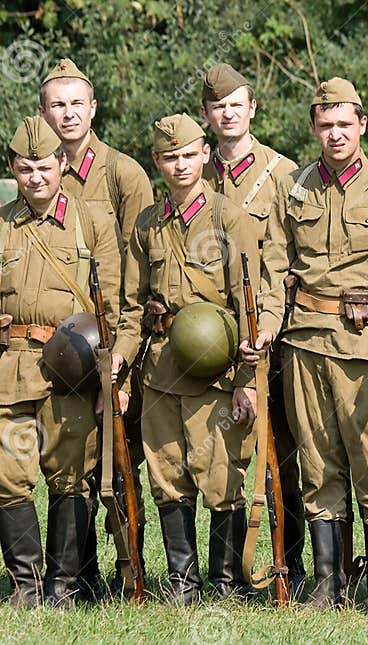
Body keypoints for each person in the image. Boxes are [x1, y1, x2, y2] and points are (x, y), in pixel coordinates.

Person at [243, 78, 368, 613]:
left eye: (345, 123)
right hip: (304, 344)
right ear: (313, 127)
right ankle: (329, 582)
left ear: (363, 125)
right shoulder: (293, 186)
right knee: (317, 464)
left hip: (366, 349)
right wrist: (266, 328)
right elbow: (276, 269)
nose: (336, 134)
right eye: (326, 125)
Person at [111, 113, 259, 604]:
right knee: (167, 476)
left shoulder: (229, 218)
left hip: (215, 372)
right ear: (157, 161)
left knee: (220, 476)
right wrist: (121, 361)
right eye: (170, 157)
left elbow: (249, 304)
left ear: (204, 155)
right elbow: (132, 307)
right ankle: (183, 580)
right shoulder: (147, 224)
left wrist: (246, 378)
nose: (180, 165)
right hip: (160, 369)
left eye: (189, 155)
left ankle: (226, 582)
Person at [38, 57, 153, 598]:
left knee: (120, 460)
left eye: (76, 103)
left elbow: (143, 264)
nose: (68, 114)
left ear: (93, 108)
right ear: (43, 113)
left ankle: (132, 573)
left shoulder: (123, 174)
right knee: (72, 458)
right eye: (57, 105)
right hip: (62, 350)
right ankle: (80, 577)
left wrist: (124, 361)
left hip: (114, 338)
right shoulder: (39, 170)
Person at [0, 116, 122, 608]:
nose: (36, 178)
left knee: (71, 476)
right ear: (13, 169)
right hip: (11, 367)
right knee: (7, 475)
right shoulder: (2, 224)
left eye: (44, 167)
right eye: (25, 169)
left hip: (73, 369)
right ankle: (26, 587)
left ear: (61, 164)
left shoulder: (92, 223)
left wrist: (110, 377)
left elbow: (115, 306)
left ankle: (63, 587)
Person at [199, 62, 306, 592]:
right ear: (206, 114)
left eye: (236, 105)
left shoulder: (285, 174)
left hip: (271, 334)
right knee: (223, 453)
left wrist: (267, 324)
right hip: (210, 338)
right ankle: (228, 574)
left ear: (253, 109)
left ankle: (291, 566)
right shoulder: (194, 173)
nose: (228, 114)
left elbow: (296, 256)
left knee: (282, 452)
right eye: (218, 107)